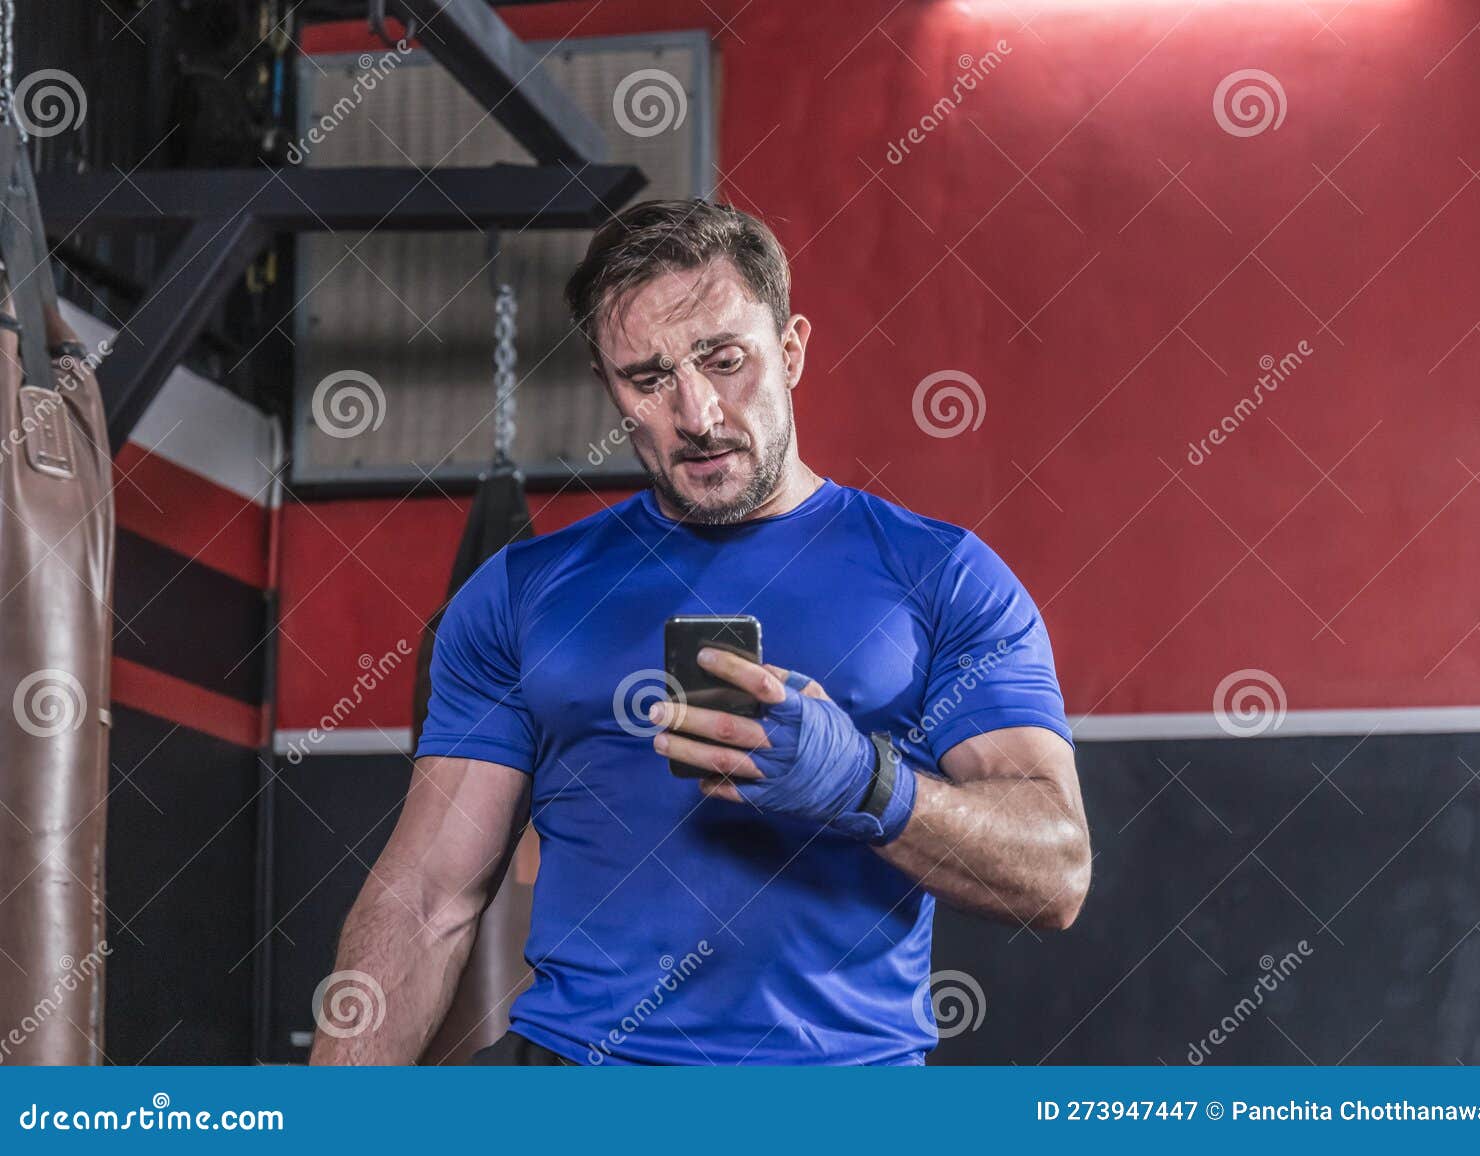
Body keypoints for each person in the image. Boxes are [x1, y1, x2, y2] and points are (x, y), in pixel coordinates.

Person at [309, 198, 1091, 1067]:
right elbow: (426, 899)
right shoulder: (522, 594)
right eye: (648, 379)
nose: (698, 413)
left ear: (792, 350)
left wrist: (866, 785)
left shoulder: (940, 576)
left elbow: (1055, 874)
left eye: (725, 362)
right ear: (611, 388)